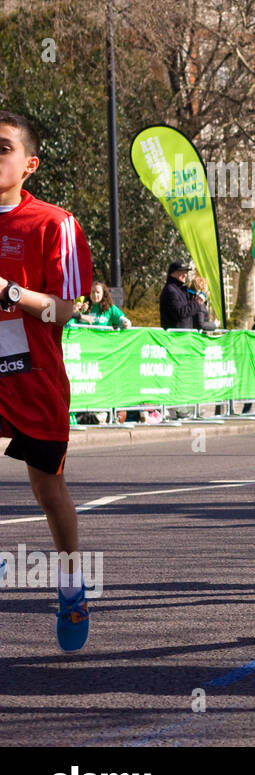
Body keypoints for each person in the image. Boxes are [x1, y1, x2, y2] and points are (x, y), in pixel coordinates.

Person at [0, 111, 94, 650]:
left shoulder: (53, 223)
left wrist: (10, 293)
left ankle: (71, 583)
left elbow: (65, 311)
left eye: (3, 147)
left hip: (32, 375)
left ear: (29, 164)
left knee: (47, 488)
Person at [159, 261, 207, 330]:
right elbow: (180, 313)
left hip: (183, 336)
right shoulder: (170, 291)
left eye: (186, 272)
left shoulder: (182, 290)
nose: (185, 275)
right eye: (182, 272)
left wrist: (200, 297)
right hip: (175, 337)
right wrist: (197, 302)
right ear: (173, 273)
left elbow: (193, 306)